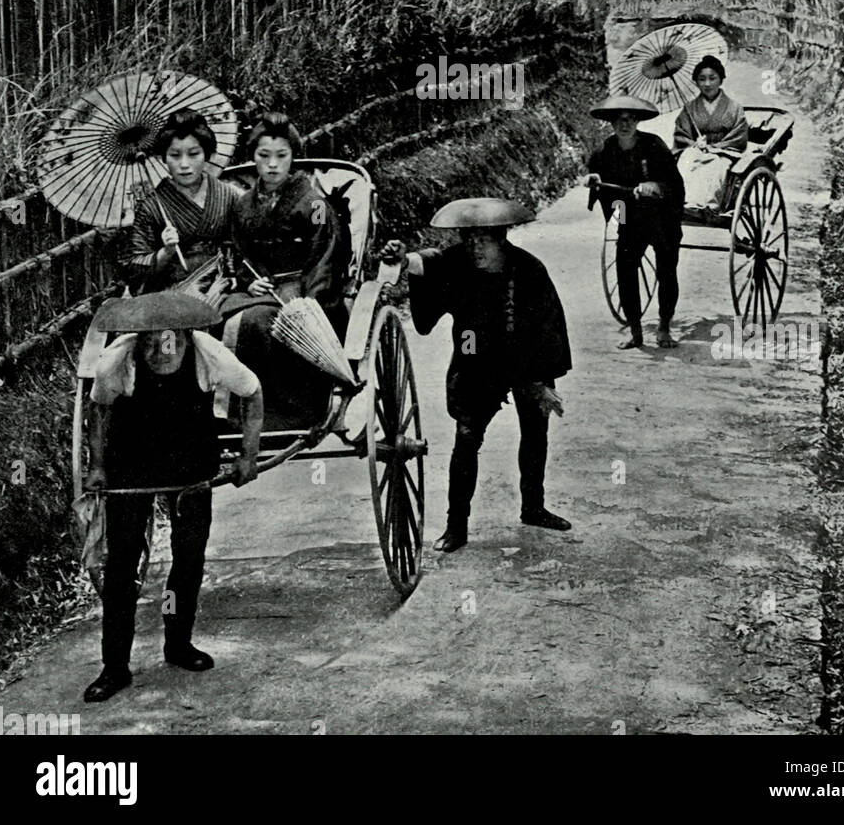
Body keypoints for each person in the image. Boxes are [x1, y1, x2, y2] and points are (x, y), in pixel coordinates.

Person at [82, 292, 263, 704]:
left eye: (170, 340)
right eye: (150, 341)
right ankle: (114, 667)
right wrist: (97, 466)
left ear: (184, 334)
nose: (161, 349)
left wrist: (249, 456)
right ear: (139, 337)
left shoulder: (208, 352)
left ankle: (177, 644)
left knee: (188, 558)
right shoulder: (117, 358)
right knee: (122, 565)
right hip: (132, 464)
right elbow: (98, 413)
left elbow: (252, 393)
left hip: (190, 464)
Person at [382, 197, 572, 554]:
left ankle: (533, 506)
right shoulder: (457, 262)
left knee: (535, 433)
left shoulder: (529, 270)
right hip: (476, 363)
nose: (476, 249)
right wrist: (403, 258)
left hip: (526, 364)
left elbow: (550, 330)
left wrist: (542, 382)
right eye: (469, 240)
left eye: (484, 240)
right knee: (466, 441)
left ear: (502, 238)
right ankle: (457, 526)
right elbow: (427, 263)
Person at [220, 112, 351, 427]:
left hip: (305, 288)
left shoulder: (314, 204)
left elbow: (326, 254)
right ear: (253, 157)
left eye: (282, 156)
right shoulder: (242, 205)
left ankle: (289, 415)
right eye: (264, 156)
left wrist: (312, 302)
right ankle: (235, 414)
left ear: (294, 157)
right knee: (224, 318)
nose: (273, 164)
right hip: (260, 289)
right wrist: (249, 281)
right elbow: (241, 254)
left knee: (259, 321)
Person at [587, 94, 685, 351]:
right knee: (625, 268)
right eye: (619, 120)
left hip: (662, 217)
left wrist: (655, 186)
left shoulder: (654, 146)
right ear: (611, 123)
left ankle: (664, 326)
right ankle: (635, 330)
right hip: (630, 218)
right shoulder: (605, 150)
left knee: (666, 269)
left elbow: (674, 184)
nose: (624, 125)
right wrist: (594, 180)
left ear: (638, 121)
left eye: (630, 119)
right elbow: (597, 179)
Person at [122, 109, 239, 292]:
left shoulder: (227, 195)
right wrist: (166, 251)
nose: (184, 164)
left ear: (207, 155)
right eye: (175, 156)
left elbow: (244, 248)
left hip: (222, 287)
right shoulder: (151, 206)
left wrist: (236, 275)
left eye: (193, 154)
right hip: (170, 293)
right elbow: (135, 268)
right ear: (164, 158)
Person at [673, 56, 749, 216]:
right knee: (687, 158)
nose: (707, 84)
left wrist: (714, 148)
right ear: (696, 82)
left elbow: (738, 136)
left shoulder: (734, 108)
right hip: (697, 149)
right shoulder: (690, 108)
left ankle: (709, 206)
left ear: (721, 79)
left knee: (717, 164)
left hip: (725, 151)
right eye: (702, 79)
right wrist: (694, 143)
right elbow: (681, 134)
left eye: (712, 78)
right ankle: (683, 202)